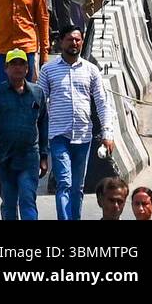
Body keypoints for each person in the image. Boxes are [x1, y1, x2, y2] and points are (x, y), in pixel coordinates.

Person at [38, 24, 114, 220]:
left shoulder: (91, 70)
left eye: (78, 40)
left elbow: (102, 103)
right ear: (61, 42)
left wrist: (107, 133)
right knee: (64, 182)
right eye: (70, 39)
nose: (74, 43)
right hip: (58, 136)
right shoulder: (48, 70)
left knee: (77, 186)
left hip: (83, 136)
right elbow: (37, 104)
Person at [0, 48, 49, 221]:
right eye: (13, 64)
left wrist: (43, 155)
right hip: (6, 158)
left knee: (27, 201)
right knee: (9, 204)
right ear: (6, 68)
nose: (18, 68)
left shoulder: (37, 93)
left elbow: (43, 124)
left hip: (29, 158)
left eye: (22, 64)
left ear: (27, 68)